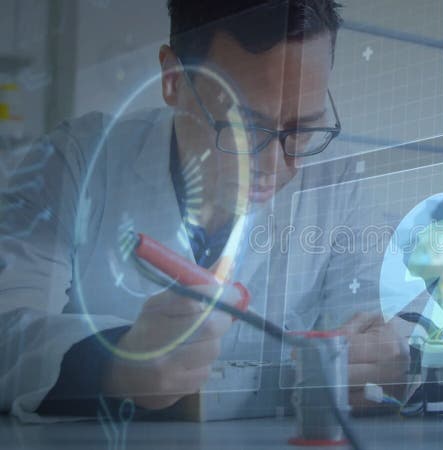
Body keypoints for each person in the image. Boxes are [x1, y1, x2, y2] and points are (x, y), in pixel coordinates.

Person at [0, 0, 407, 421]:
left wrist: (386, 358)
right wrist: (113, 360)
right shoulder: (77, 162)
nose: (272, 169)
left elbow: (381, 322)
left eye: (302, 130)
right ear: (173, 80)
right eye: (243, 127)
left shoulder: (336, 180)